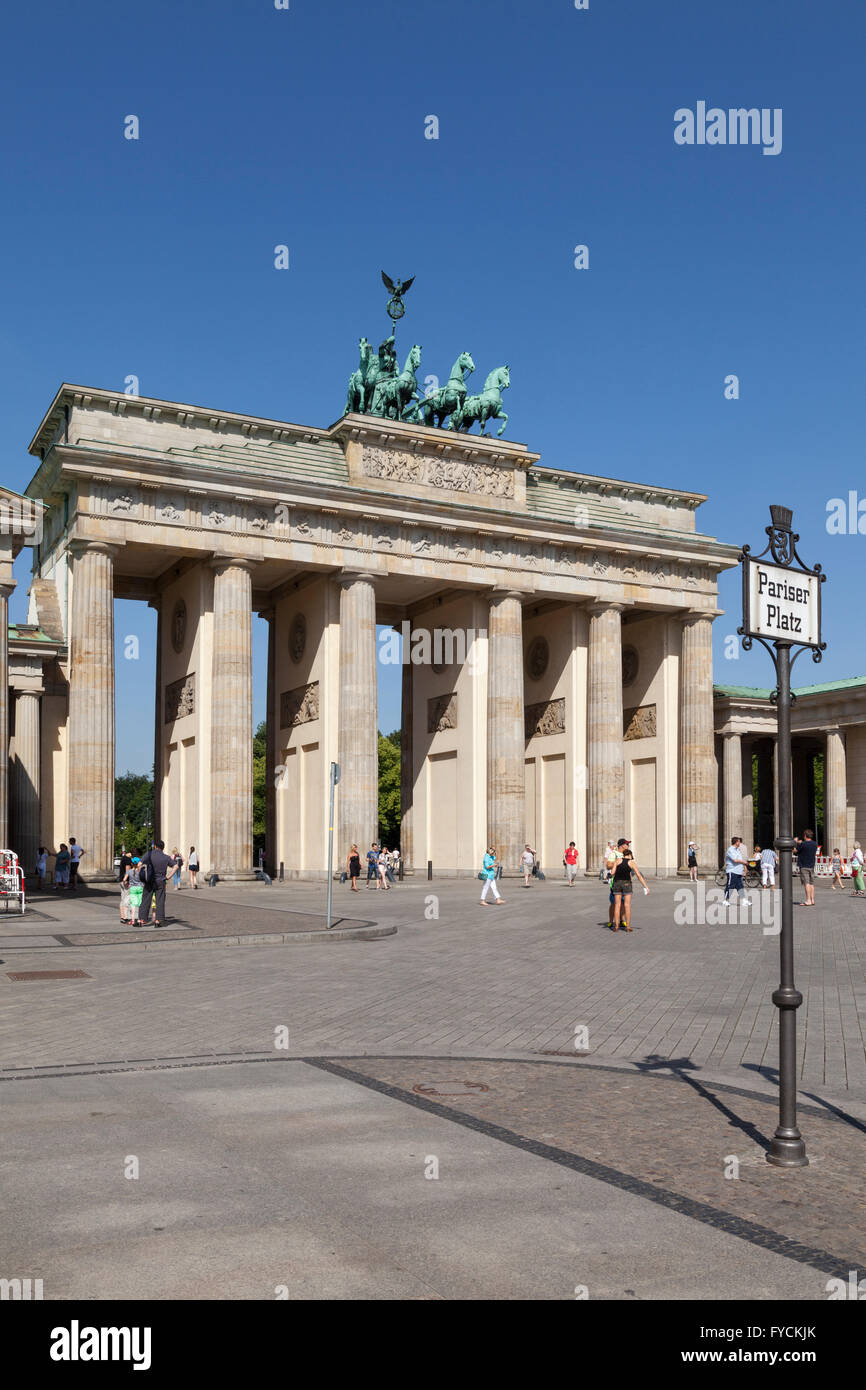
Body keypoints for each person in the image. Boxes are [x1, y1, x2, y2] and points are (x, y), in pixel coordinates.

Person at [610, 838, 648, 931]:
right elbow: (638, 875)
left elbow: (612, 872)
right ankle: (628, 926)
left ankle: (616, 926)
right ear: (629, 855)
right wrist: (645, 886)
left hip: (617, 883)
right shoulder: (631, 862)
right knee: (627, 905)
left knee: (617, 905)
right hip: (627, 883)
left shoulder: (617, 860)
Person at [137, 840, 178, 928]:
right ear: (163, 848)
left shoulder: (149, 854)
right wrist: (168, 877)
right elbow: (176, 866)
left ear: (155, 846)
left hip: (149, 880)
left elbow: (139, 864)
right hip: (161, 880)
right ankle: (158, 921)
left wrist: (143, 875)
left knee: (145, 900)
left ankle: (141, 920)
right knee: (160, 900)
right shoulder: (166, 857)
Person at [723, 836, 747, 906]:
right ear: (736, 842)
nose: (740, 843)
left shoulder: (737, 850)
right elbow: (735, 860)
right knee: (730, 886)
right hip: (732, 871)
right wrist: (744, 862)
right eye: (739, 841)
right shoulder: (731, 850)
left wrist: (743, 869)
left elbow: (740, 860)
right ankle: (725, 900)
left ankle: (744, 900)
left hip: (738, 871)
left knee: (740, 886)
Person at [796, 829, 818, 907]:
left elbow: (795, 851)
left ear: (805, 836)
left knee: (806, 883)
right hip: (811, 865)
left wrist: (796, 843)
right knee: (811, 883)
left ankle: (808, 900)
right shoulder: (815, 844)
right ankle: (812, 899)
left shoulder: (803, 844)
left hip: (804, 865)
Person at [128, 857, 143, 926]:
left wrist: (127, 884)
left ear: (132, 864)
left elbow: (124, 879)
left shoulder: (129, 871)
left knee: (133, 905)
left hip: (132, 888)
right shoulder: (140, 871)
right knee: (140, 904)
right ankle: (140, 920)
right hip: (140, 888)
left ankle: (133, 920)